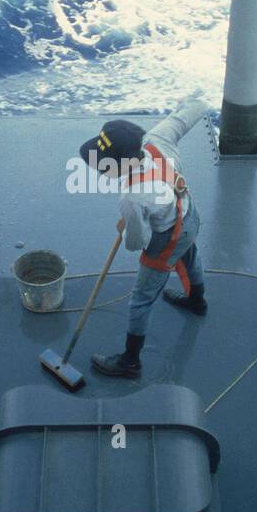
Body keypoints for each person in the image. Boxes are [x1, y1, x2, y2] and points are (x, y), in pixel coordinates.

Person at [78, 97, 209, 378]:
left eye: (104, 165)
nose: (100, 169)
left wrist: (128, 225)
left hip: (169, 237)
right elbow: (189, 113)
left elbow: (137, 243)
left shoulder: (132, 196)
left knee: (141, 299)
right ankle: (197, 301)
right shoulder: (155, 140)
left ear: (120, 165)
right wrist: (199, 101)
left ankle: (130, 361)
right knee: (190, 254)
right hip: (189, 214)